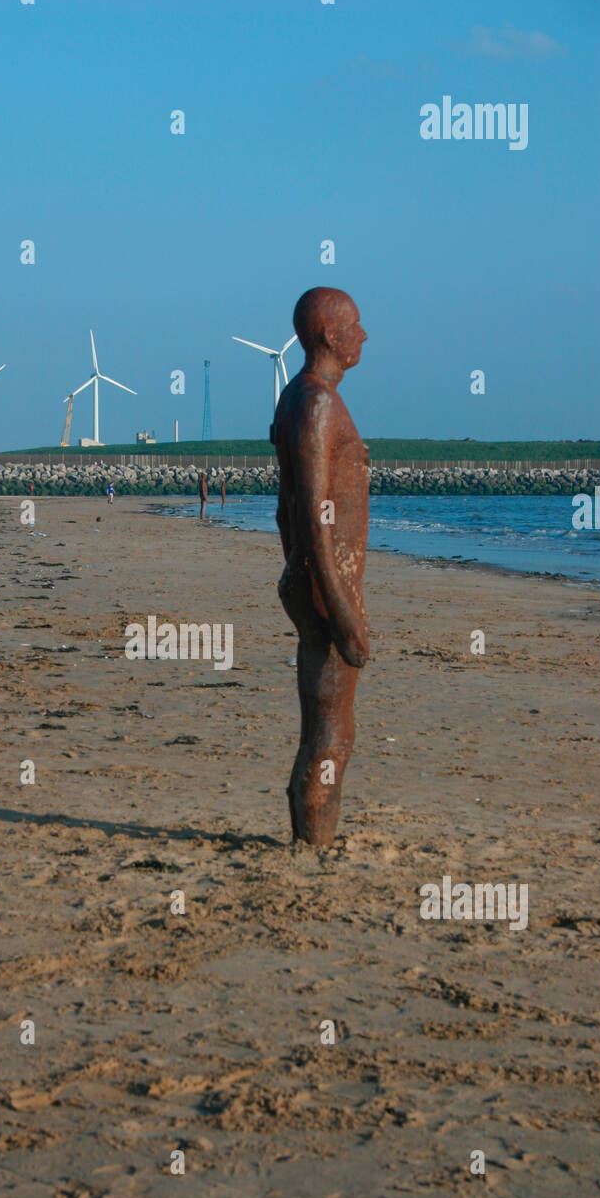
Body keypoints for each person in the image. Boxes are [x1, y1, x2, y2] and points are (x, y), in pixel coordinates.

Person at [271, 287, 369, 847]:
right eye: (354, 325)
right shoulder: (317, 403)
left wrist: (296, 573)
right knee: (333, 729)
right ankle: (314, 843)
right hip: (326, 580)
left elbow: (288, 510)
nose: (362, 335)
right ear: (330, 336)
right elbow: (310, 510)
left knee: (323, 720)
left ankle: (310, 833)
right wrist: (339, 606)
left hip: (309, 574)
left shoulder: (296, 397)